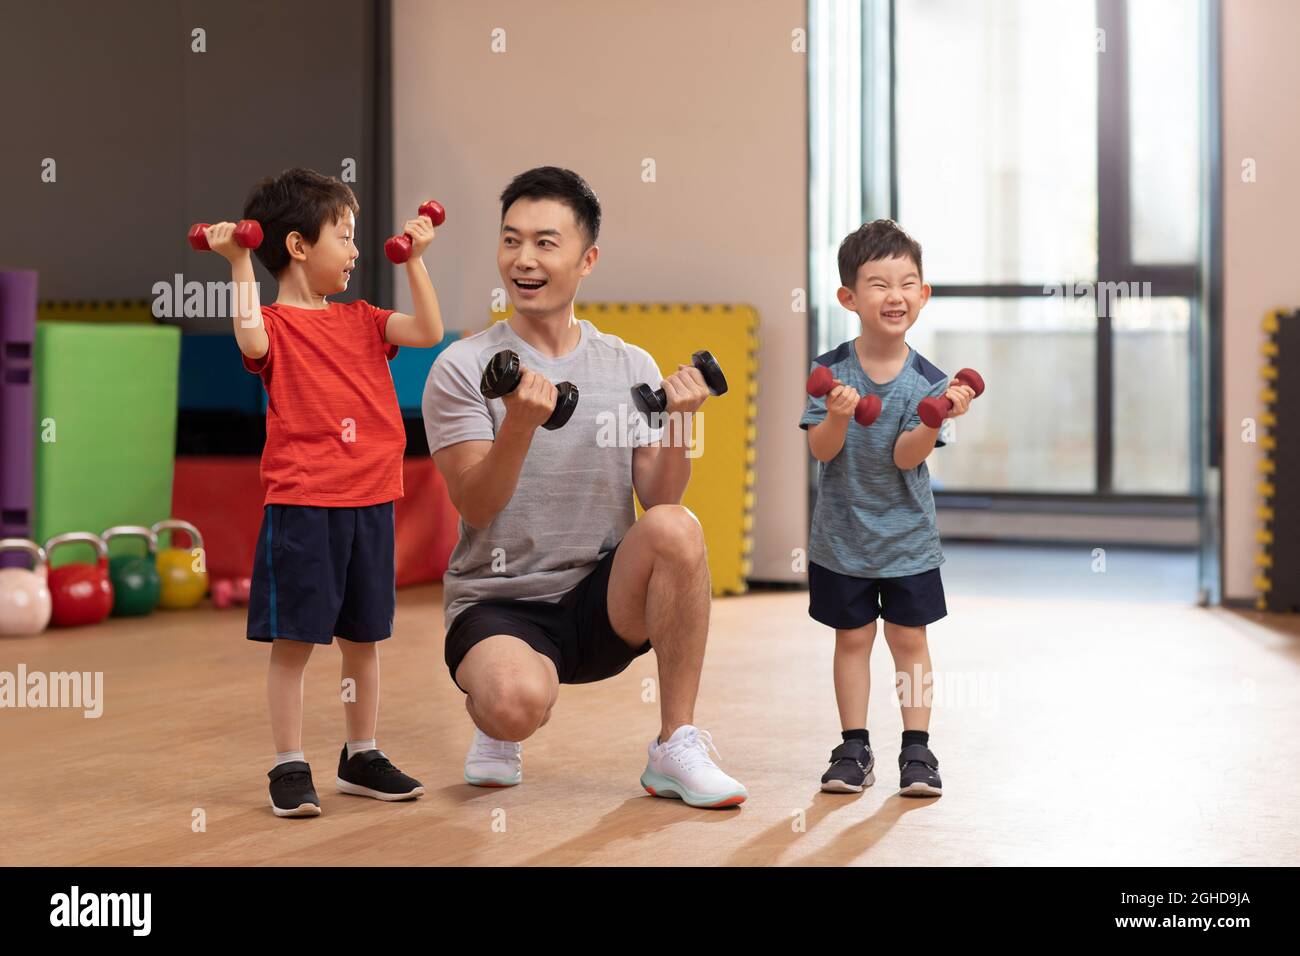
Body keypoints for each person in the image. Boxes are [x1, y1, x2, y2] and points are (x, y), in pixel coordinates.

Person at [422, 166, 747, 808]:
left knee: (677, 528)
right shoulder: (462, 367)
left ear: (587, 257)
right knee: (514, 705)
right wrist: (518, 422)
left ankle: (675, 746)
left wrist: (680, 417)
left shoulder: (630, 366)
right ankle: (498, 724)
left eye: (546, 242)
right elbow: (476, 503)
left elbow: (659, 498)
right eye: (511, 241)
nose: (524, 259)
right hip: (501, 601)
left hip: (602, 598)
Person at [210, 166, 445, 816]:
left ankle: (360, 753)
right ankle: (288, 765)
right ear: (296, 247)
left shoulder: (364, 320)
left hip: (371, 502)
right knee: (295, 645)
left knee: (363, 640)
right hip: (305, 508)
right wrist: (236, 264)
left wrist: (417, 261)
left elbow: (427, 330)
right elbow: (249, 333)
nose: (355, 250)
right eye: (343, 235)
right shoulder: (275, 326)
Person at [800, 219, 976, 798]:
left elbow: (906, 458)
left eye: (907, 283)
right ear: (849, 298)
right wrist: (840, 416)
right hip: (842, 538)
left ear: (923, 295)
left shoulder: (930, 381)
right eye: (877, 284)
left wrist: (934, 418)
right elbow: (821, 450)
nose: (893, 295)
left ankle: (917, 751)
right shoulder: (829, 374)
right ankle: (853, 747)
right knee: (852, 640)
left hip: (907, 540)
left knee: (909, 640)